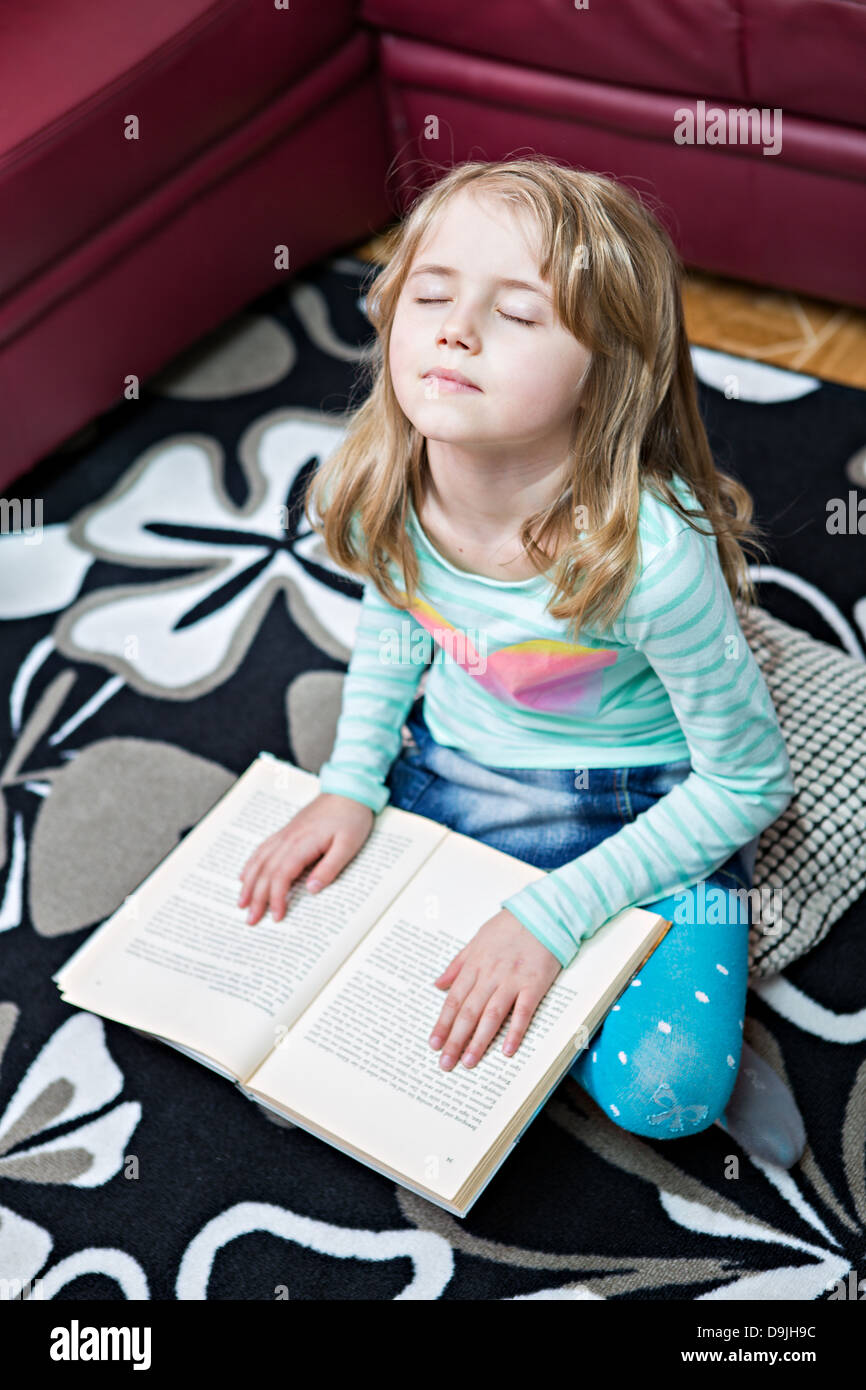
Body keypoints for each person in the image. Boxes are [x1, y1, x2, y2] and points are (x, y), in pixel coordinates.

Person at [238, 156, 806, 1168]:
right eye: (433, 295)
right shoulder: (388, 481)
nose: (456, 330)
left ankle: (647, 1014)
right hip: (449, 777)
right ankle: (569, 1008)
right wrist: (348, 785)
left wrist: (553, 917)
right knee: (312, 982)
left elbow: (749, 780)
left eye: (518, 313)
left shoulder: (653, 564)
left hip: (639, 803)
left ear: (606, 366)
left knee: (664, 1094)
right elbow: (395, 623)